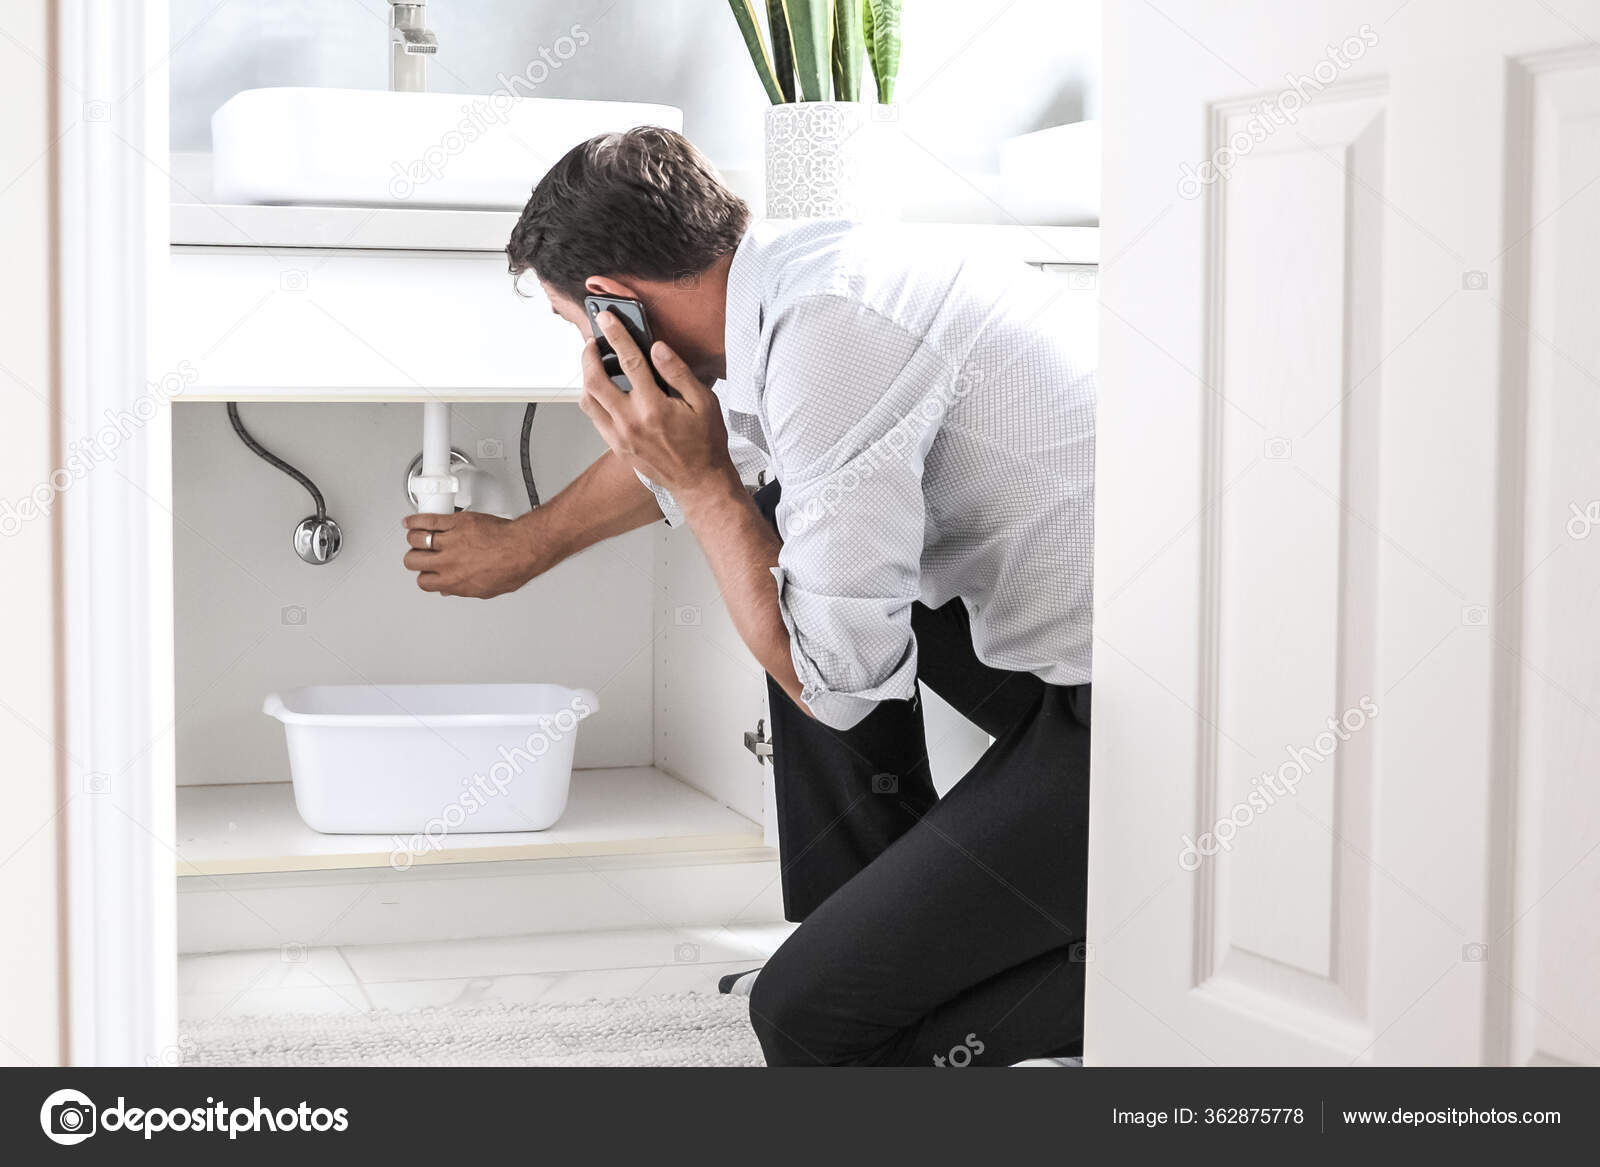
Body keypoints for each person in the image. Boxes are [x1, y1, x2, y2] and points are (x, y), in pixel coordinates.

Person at [401, 127, 1096, 1067]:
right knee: (784, 519)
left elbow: (836, 685)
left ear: (612, 305)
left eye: (574, 325)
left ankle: (1135, 965)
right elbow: (729, 442)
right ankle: (866, 919)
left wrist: (704, 491)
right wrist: (526, 545)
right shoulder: (796, 283)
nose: (584, 348)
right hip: (1092, 653)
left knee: (808, 1022)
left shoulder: (832, 340)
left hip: (1147, 729)